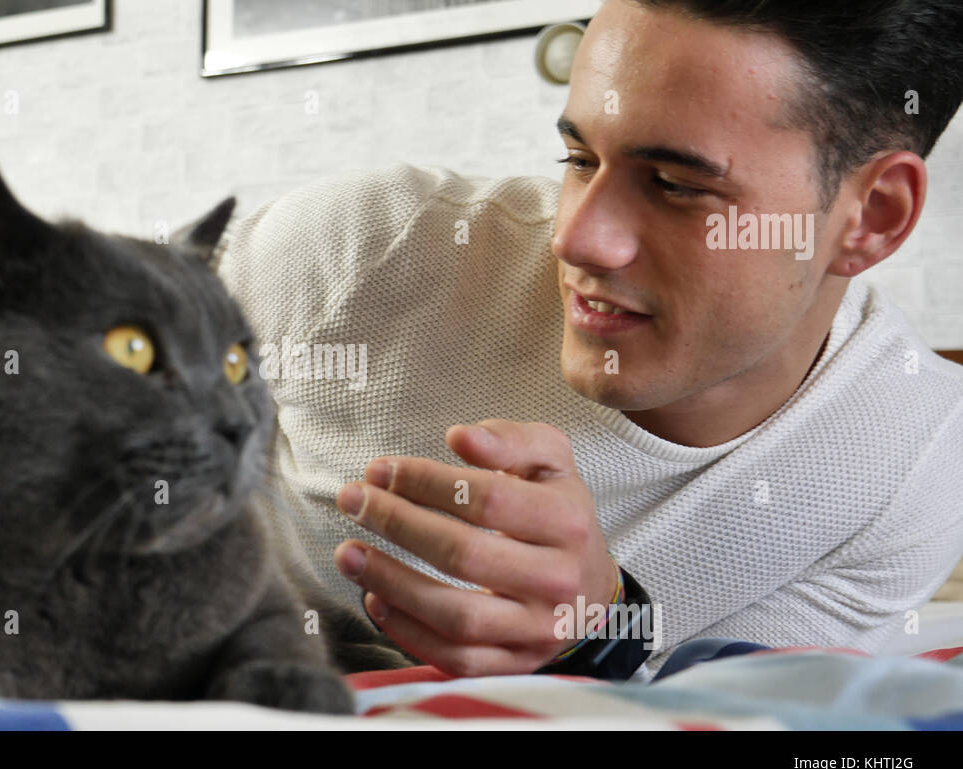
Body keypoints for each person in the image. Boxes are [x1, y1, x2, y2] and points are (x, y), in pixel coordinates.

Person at [215, 0, 963, 681]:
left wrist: (599, 635)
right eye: (579, 160)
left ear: (874, 215)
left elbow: (716, 714)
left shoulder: (917, 464)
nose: (577, 239)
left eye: (675, 183)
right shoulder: (368, 247)